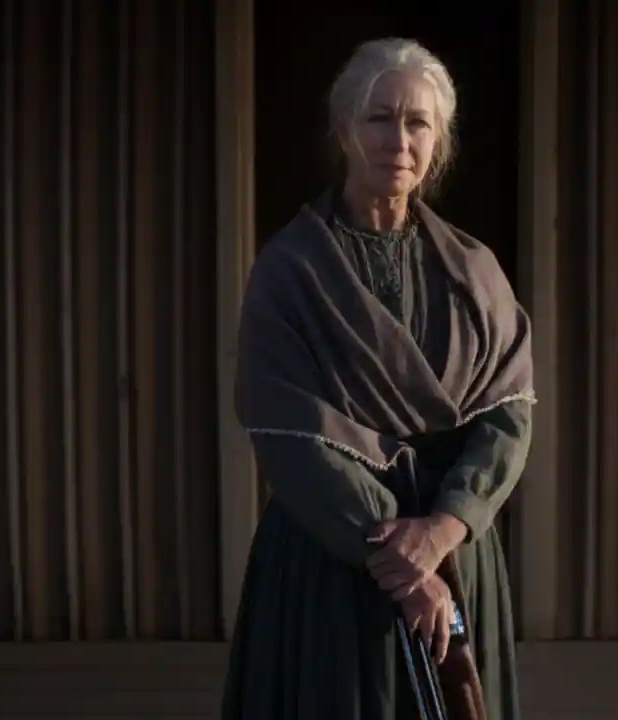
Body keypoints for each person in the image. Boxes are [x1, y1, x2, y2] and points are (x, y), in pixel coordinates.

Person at [223, 37, 534, 719]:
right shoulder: (291, 272)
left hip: (455, 557)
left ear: (439, 141)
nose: (399, 138)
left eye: (418, 122)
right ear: (343, 131)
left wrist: (447, 530)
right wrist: (400, 561)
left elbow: (508, 418)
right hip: (337, 561)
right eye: (378, 118)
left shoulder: (475, 272)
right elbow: (290, 434)